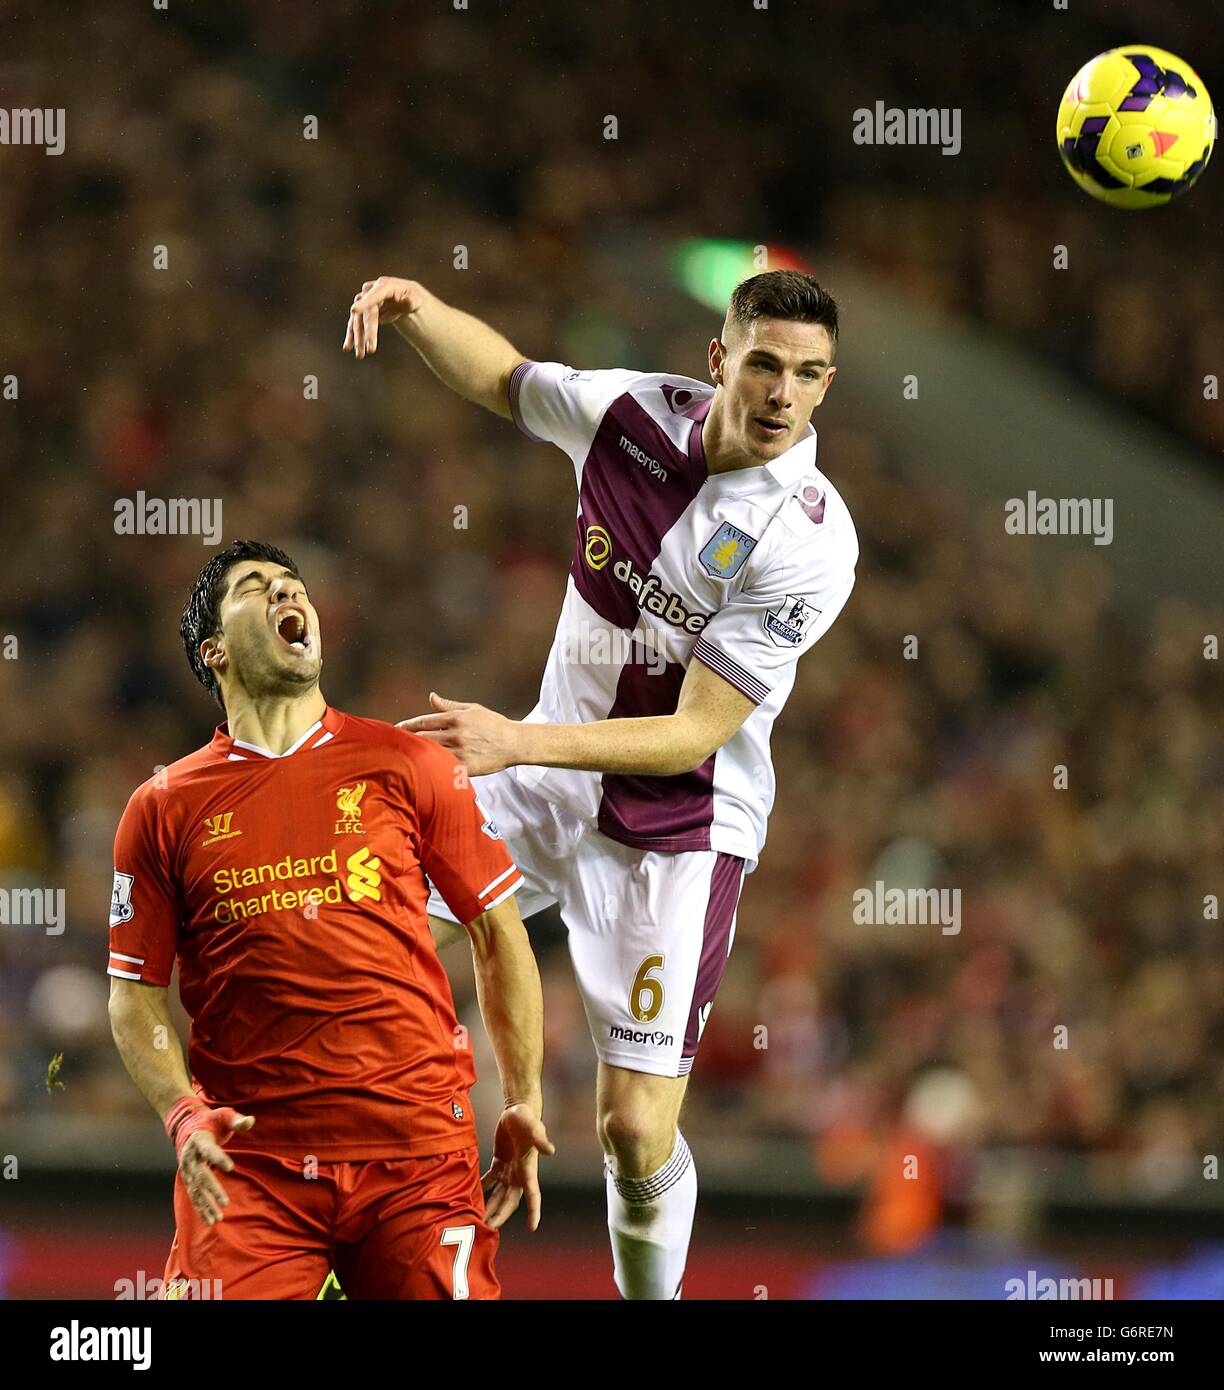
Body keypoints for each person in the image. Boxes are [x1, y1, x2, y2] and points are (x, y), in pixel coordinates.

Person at [343, 268, 858, 1299]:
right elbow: (506, 379)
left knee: (630, 1129)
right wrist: (419, 311)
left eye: (807, 376)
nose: (782, 394)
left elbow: (692, 735)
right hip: (538, 777)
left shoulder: (807, 540)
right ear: (719, 361)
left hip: (675, 826)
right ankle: (323, 1227)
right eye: (764, 363)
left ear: (825, 385)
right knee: (356, 938)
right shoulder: (628, 416)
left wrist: (519, 742)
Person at [107, 539, 552, 1299]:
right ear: (212, 650)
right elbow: (133, 994)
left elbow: (497, 931)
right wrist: (182, 1114)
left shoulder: (408, 764)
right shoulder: (162, 807)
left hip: (416, 1154)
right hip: (253, 1166)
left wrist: (522, 1099)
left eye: (295, 585)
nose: (289, 595)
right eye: (257, 587)